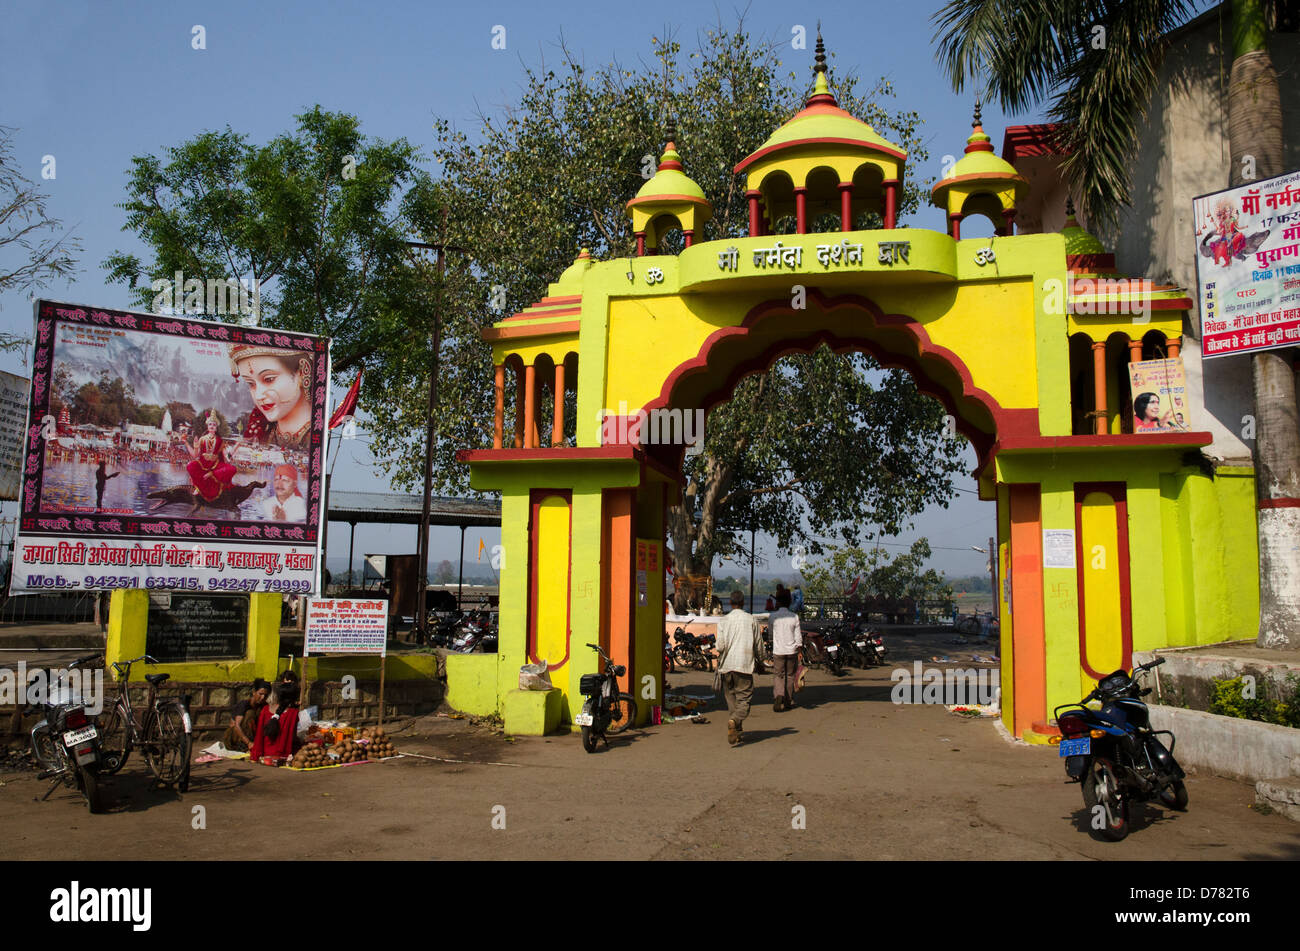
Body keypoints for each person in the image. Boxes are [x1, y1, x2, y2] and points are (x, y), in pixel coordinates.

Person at [229, 343, 315, 450]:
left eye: (269, 379)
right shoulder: (262, 434)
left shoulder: (317, 435)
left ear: (302, 373)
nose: (259, 395)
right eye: (251, 383)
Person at [714, 589, 764, 747]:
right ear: (742, 603)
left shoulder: (723, 621)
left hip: (727, 666)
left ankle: (737, 731)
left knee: (731, 700)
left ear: (730, 602)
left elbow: (720, 646)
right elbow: (758, 645)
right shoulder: (751, 620)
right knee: (744, 701)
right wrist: (762, 660)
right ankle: (734, 721)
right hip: (743, 665)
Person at [186, 412, 237, 501]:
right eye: (210, 424)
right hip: (203, 464)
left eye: (214, 424)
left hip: (215, 466)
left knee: (232, 469)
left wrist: (237, 446)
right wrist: (191, 444)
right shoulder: (202, 439)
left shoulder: (220, 440)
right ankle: (198, 488)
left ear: (216, 427)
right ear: (207, 426)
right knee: (190, 465)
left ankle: (212, 474)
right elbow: (195, 455)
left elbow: (226, 456)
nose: (212, 426)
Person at [250, 679, 300, 762]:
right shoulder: (293, 713)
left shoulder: (265, 710)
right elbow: (293, 738)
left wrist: (256, 755)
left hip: (265, 755)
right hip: (282, 756)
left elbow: (259, 735)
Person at [769, 589, 802, 712]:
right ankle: (788, 700)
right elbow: (798, 637)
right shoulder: (794, 616)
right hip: (791, 650)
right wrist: (800, 651)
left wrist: (772, 643)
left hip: (778, 651)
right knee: (790, 675)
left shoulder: (773, 616)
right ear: (789, 602)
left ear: (778, 602)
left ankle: (778, 695)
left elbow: (771, 635)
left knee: (779, 675)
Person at [223, 678, 270, 752]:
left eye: (265, 695)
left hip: (251, 737)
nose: (263, 698)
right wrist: (248, 743)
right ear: (254, 692)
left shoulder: (263, 706)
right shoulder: (244, 704)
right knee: (250, 713)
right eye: (260, 694)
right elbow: (236, 726)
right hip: (235, 737)